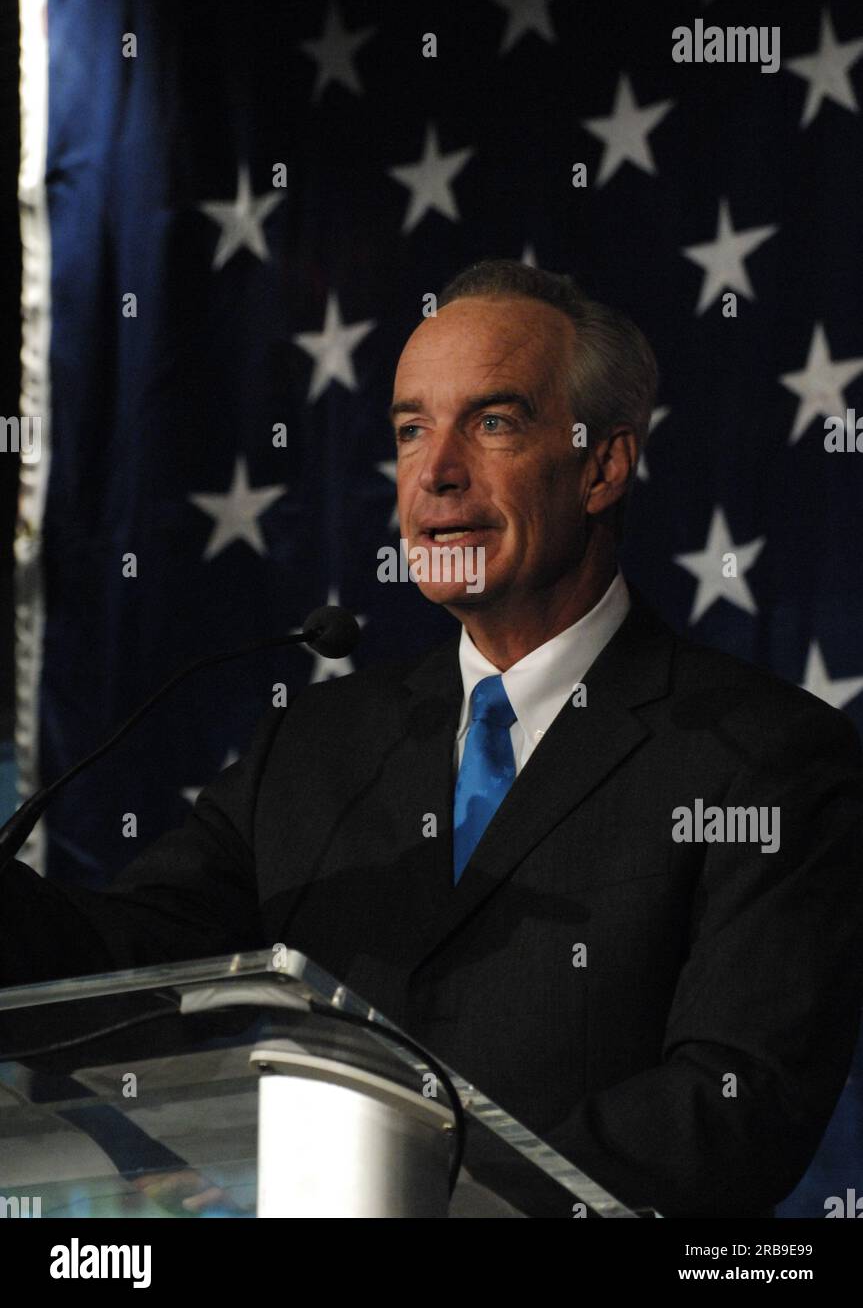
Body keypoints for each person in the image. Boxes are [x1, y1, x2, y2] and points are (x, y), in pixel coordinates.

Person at [2, 259, 862, 1218]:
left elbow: (733, 1104)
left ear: (602, 465)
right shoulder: (320, 741)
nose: (437, 473)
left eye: (492, 423)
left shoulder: (765, 758)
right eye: (412, 429)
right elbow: (126, 964)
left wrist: (433, 1197)